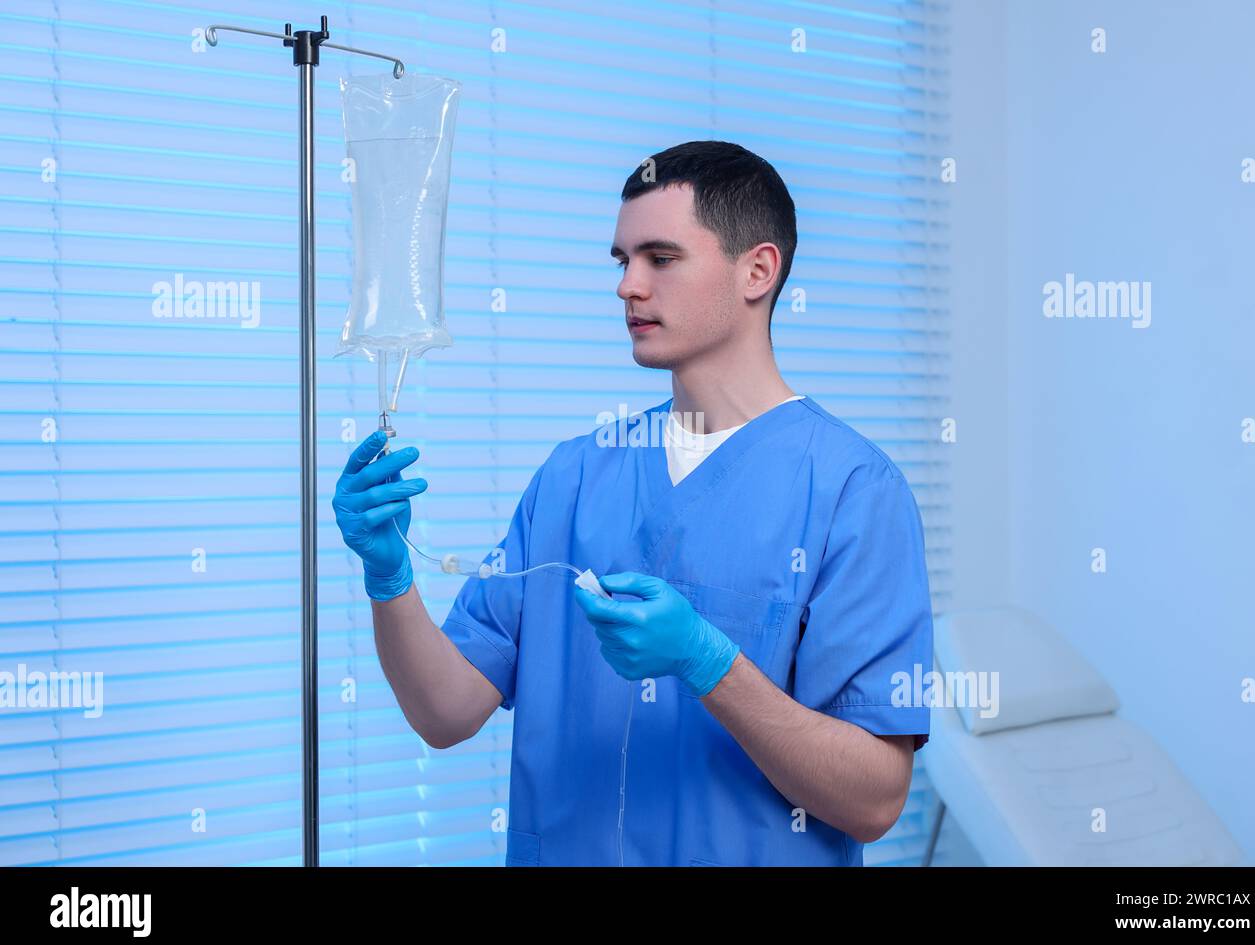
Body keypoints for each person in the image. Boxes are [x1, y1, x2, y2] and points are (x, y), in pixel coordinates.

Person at [333, 140, 933, 866]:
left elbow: (874, 798)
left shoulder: (852, 492)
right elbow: (444, 709)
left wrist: (708, 662)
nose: (627, 286)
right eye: (622, 261)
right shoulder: (575, 476)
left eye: (661, 258)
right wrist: (390, 578)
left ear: (758, 270)